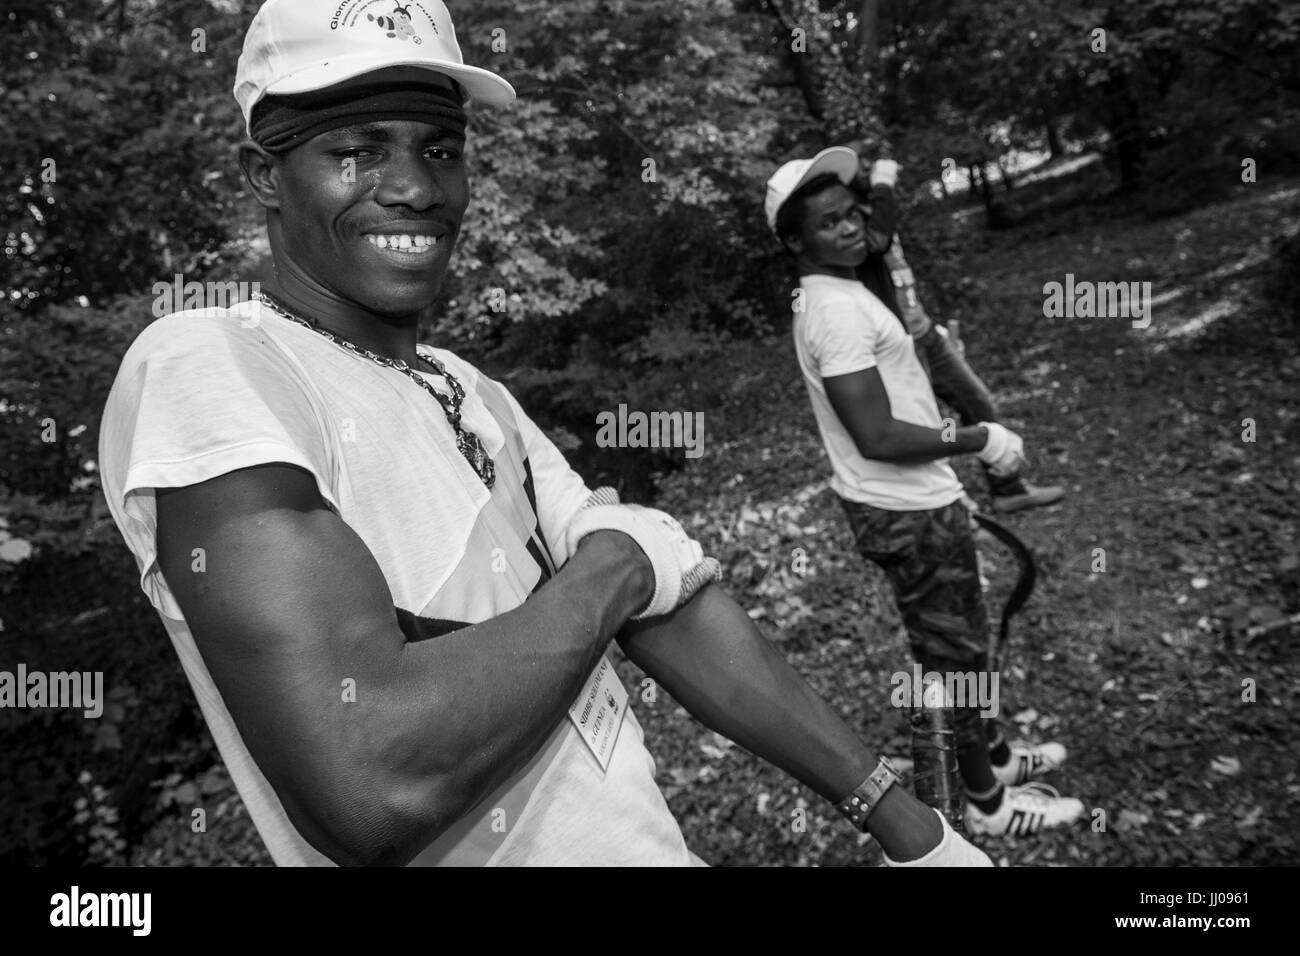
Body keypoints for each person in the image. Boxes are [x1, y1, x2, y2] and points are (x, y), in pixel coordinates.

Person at [97, 0, 991, 867]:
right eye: (356, 151)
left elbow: (674, 610)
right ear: (264, 174)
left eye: (439, 149)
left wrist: (909, 826)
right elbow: (368, 778)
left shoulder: (469, 388)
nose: (413, 188)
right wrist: (614, 569)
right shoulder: (212, 365)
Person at [768, 147, 1084, 837]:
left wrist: (947, 488)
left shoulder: (848, 292)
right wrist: (977, 440)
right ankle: (989, 805)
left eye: (853, 216)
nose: (851, 230)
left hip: (918, 503)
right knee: (953, 662)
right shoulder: (836, 312)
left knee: (961, 649)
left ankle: (994, 759)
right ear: (796, 240)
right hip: (904, 511)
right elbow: (878, 435)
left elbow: (893, 418)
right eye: (830, 223)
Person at [846, 150, 1065, 514]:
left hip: (926, 333)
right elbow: (878, 243)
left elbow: (899, 276)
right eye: (865, 169)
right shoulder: (855, 231)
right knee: (924, 425)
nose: (875, 173)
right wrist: (883, 184)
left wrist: (931, 325)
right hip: (899, 347)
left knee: (978, 402)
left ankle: (1007, 488)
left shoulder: (874, 215)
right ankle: (945, 507)